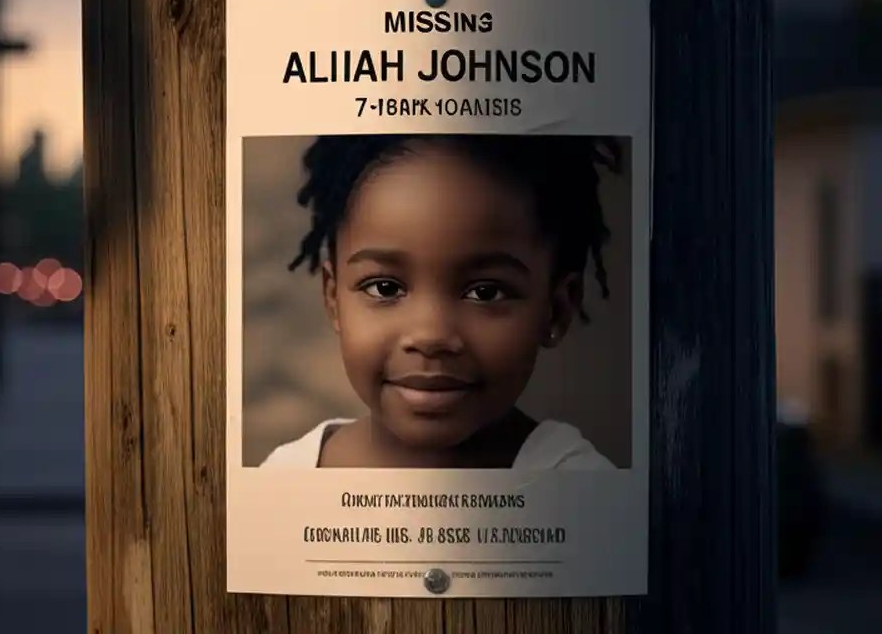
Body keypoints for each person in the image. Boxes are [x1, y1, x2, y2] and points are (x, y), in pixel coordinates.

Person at [259, 134, 621, 469]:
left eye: (485, 292)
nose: (430, 336)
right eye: (384, 288)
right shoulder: (287, 474)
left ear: (556, 311)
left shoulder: (576, 483)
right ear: (333, 299)